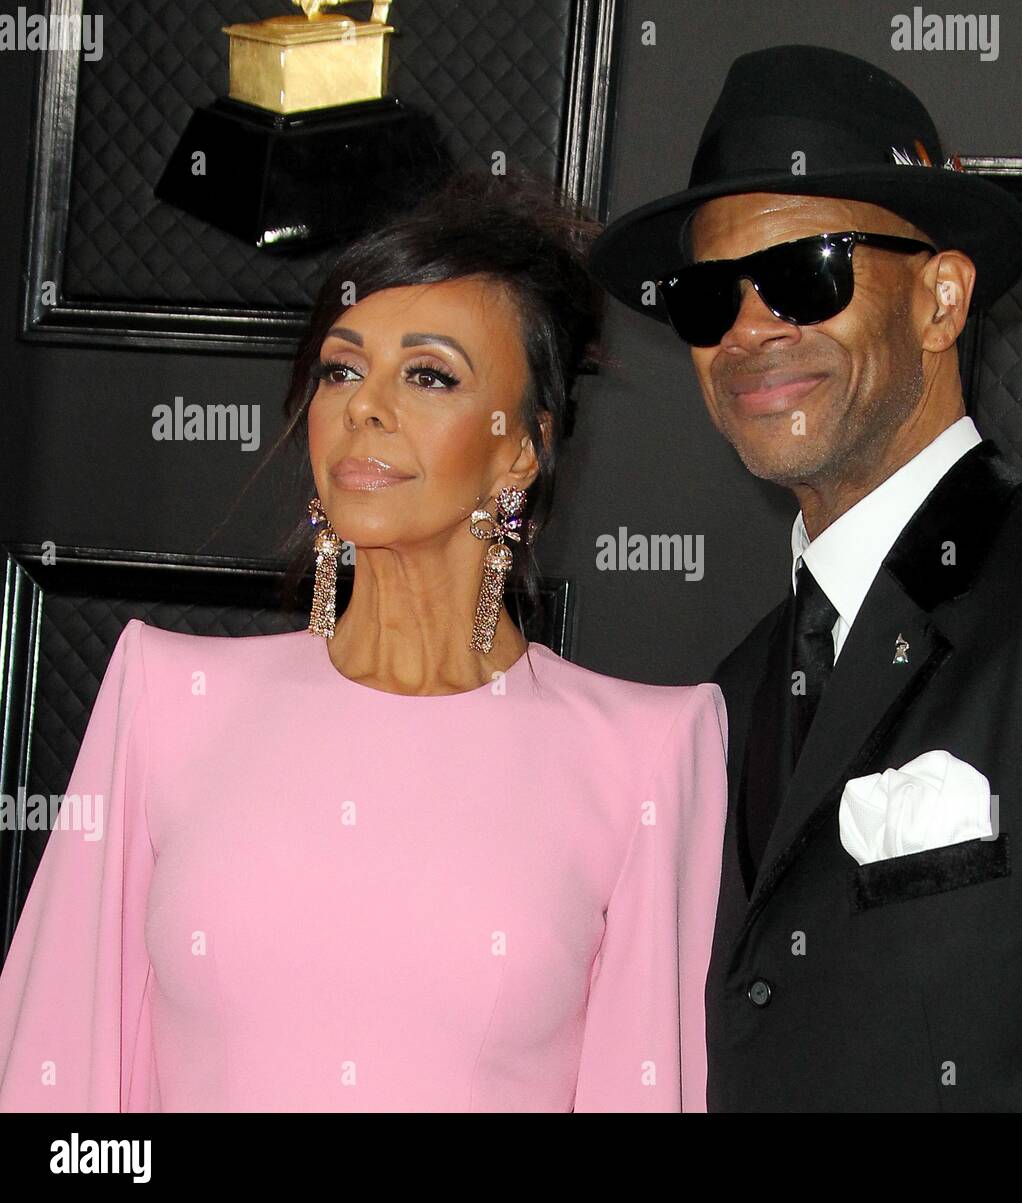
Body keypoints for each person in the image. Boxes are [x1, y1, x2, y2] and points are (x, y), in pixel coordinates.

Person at [589, 44, 1022, 1110]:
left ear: (940, 299)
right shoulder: (729, 697)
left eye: (804, 273)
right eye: (705, 300)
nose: (747, 329)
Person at [0, 172, 728, 1112]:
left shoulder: (646, 752)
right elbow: (55, 1086)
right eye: (343, 368)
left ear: (521, 448)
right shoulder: (166, 698)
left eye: (430, 375)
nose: (364, 406)